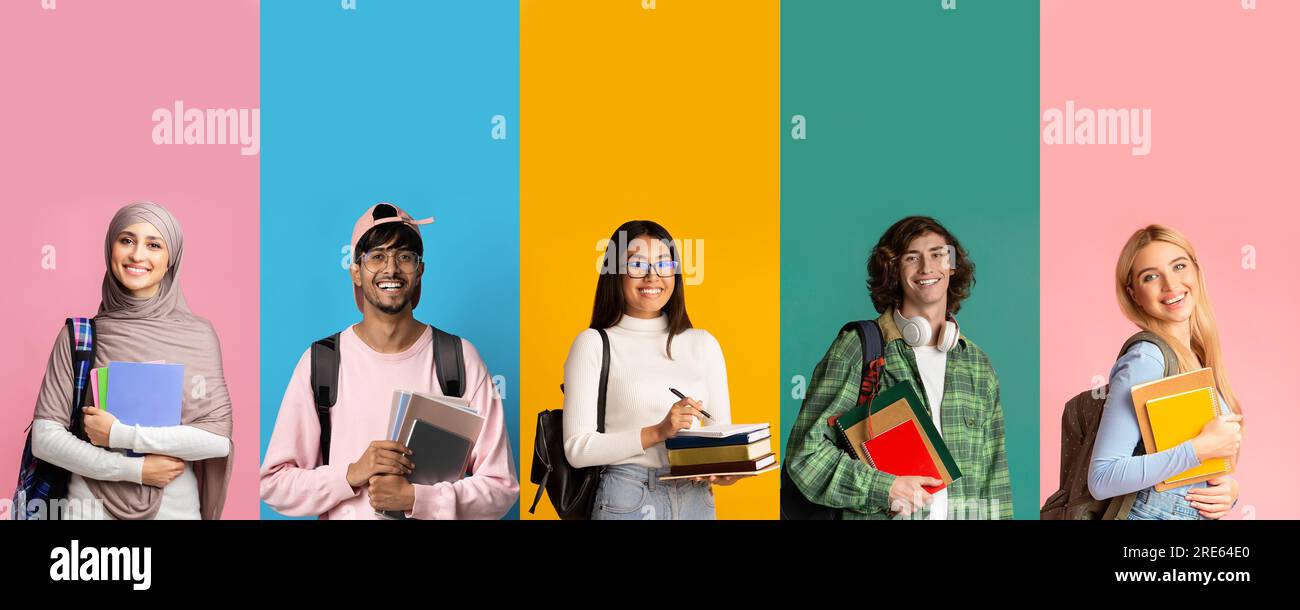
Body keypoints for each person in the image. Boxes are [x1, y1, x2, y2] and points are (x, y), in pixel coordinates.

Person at [260, 202, 518, 519]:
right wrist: (350, 474)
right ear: (355, 270)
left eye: (405, 257)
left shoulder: (458, 359)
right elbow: (274, 484)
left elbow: (501, 487)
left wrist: (415, 498)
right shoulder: (322, 362)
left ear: (420, 269)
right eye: (377, 256)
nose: (391, 269)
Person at [786, 216, 1012, 519]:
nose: (926, 268)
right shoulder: (858, 348)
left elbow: (994, 482)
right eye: (911, 258)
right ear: (894, 270)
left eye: (938, 254)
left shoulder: (978, 366)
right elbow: (806, 455)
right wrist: (885, 488)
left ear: (952, 266)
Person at [30, 201, 233, 520]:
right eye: (126, 240)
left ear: (171, 259)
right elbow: (44, 438)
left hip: (176, 511)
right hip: (88, 511)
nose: (138, 255)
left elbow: (217, 441)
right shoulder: (80, 336)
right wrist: (133, 469)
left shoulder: (197, 336)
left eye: (154, 245)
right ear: (110, 248)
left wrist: (118, 435)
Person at [562, 220, 739, 520]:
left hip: (695, 499)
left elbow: (719, 436)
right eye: (637, 264)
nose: (652, 276)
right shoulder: (593, 344)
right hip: (626, 497)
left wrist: (727, 471)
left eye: (663, 263)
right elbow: (577, 449)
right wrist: (659, 431)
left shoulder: (703, 344)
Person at [1088, 225, 1242, 520]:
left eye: (1179, 266)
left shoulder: (1196, 357)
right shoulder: (1147, 359)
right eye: (1151, 276)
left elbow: (1192, 475)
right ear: (1134, 294)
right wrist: (1199, 448)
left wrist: (1230, 492)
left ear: (1196, 271)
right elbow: (1103, 477)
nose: (1170, 285)